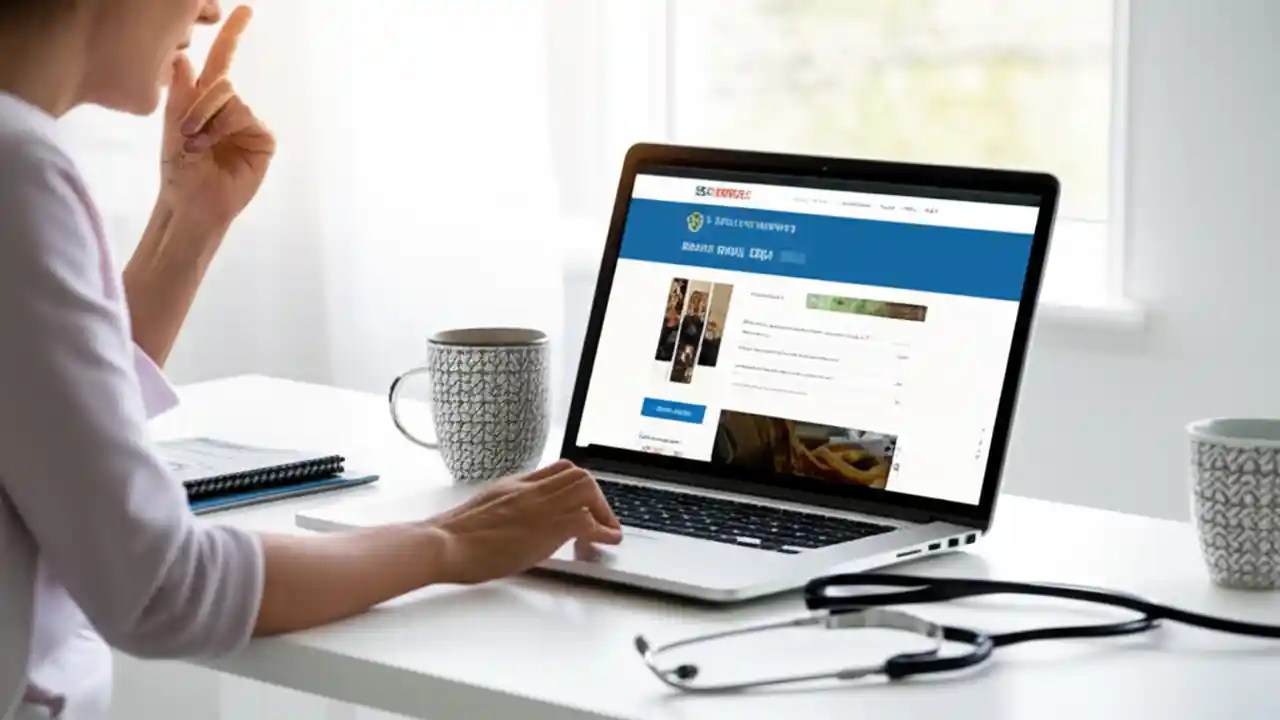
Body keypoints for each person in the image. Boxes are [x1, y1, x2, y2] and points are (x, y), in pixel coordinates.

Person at [0, 2, 621, 717]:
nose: (206, 10)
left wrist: (192, 221)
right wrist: (451, 542)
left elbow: (49, 416)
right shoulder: (19, 173)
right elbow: (160, 585)